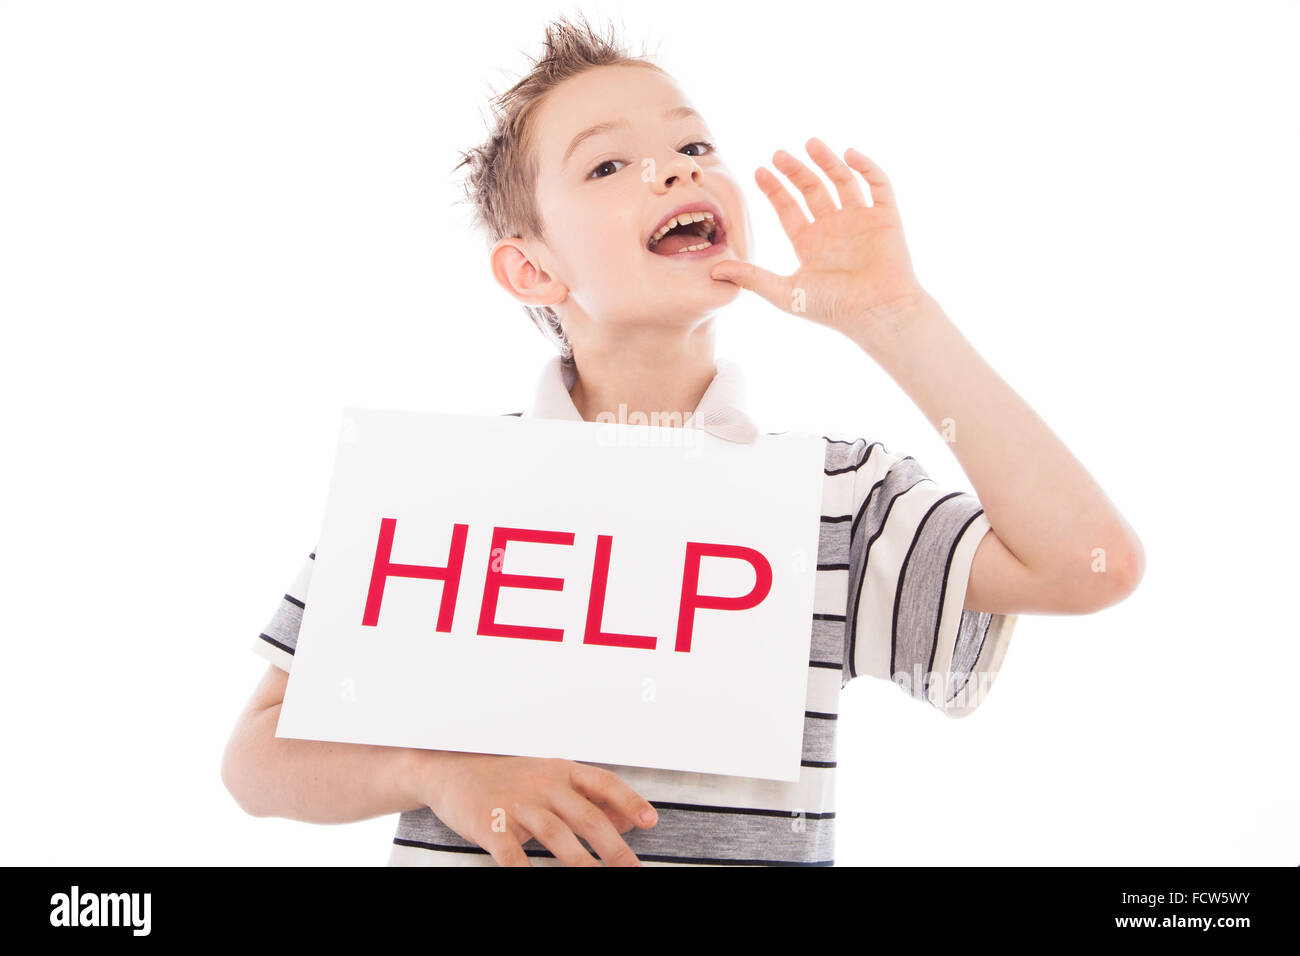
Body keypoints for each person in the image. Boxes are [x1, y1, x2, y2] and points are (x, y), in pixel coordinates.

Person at [221, 13, 1144, 867]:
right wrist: (432, 772)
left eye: (695, 145)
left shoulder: (838, 496)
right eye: (607, 167)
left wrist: (894, 317)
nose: (678, 171)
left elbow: (1090, 566)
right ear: (533, 268)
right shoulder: (436, 491)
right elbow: (255, 760)